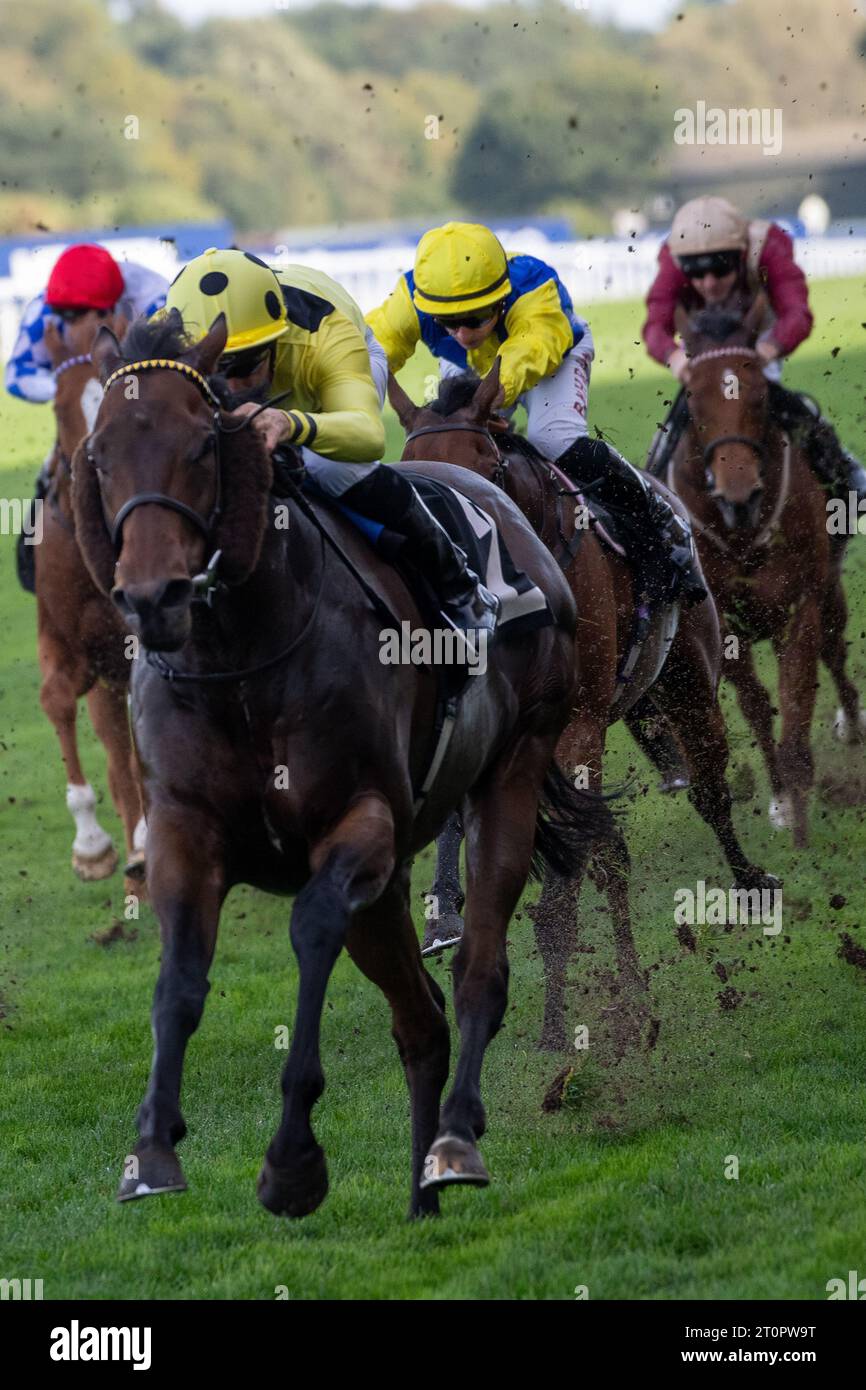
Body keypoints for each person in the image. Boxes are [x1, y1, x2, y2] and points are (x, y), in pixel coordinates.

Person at [368, 220, 705, 604]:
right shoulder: (411, 297)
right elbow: (370, 352)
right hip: (472, 368)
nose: (461, 333)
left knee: (553, 439)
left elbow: (531, 348)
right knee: (452, 446)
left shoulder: (533, 286)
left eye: (475, 319)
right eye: (448, 323)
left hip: (554, 355)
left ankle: (658, 520)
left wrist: (489, 399)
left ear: (500, 299)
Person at [164, 248, 498, 634]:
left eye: (246, 366)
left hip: (342, 353)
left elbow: (368, 438)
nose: (234, 388)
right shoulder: (169, 332)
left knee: (329, 465)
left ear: (275, 341)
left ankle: (459, 585)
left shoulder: (327, 335)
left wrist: (291, 424)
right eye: (218, 369)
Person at [643, 194, 866, 506]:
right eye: (696, 273)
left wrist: (770, 347)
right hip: (703, 352)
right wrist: (674, 356)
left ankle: (847, 474)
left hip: (758, 342)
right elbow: (654, 326)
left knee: (796, 410)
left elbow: (797, 313)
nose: (708, 284)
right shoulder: (674, 253)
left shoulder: (769, 244)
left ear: (741, 253)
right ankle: (652, 495)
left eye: (720, 270)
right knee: (669, 432)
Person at [8, 242, 168, 590]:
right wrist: (73, 383)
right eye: (65, 316)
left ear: (109, 309)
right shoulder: (46, 308)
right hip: (80, 414)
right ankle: (31, 555)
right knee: (52, 468)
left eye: (79, 316)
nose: (68, 324)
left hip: (144, 413)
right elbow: (16, 376)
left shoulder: (156, 301)